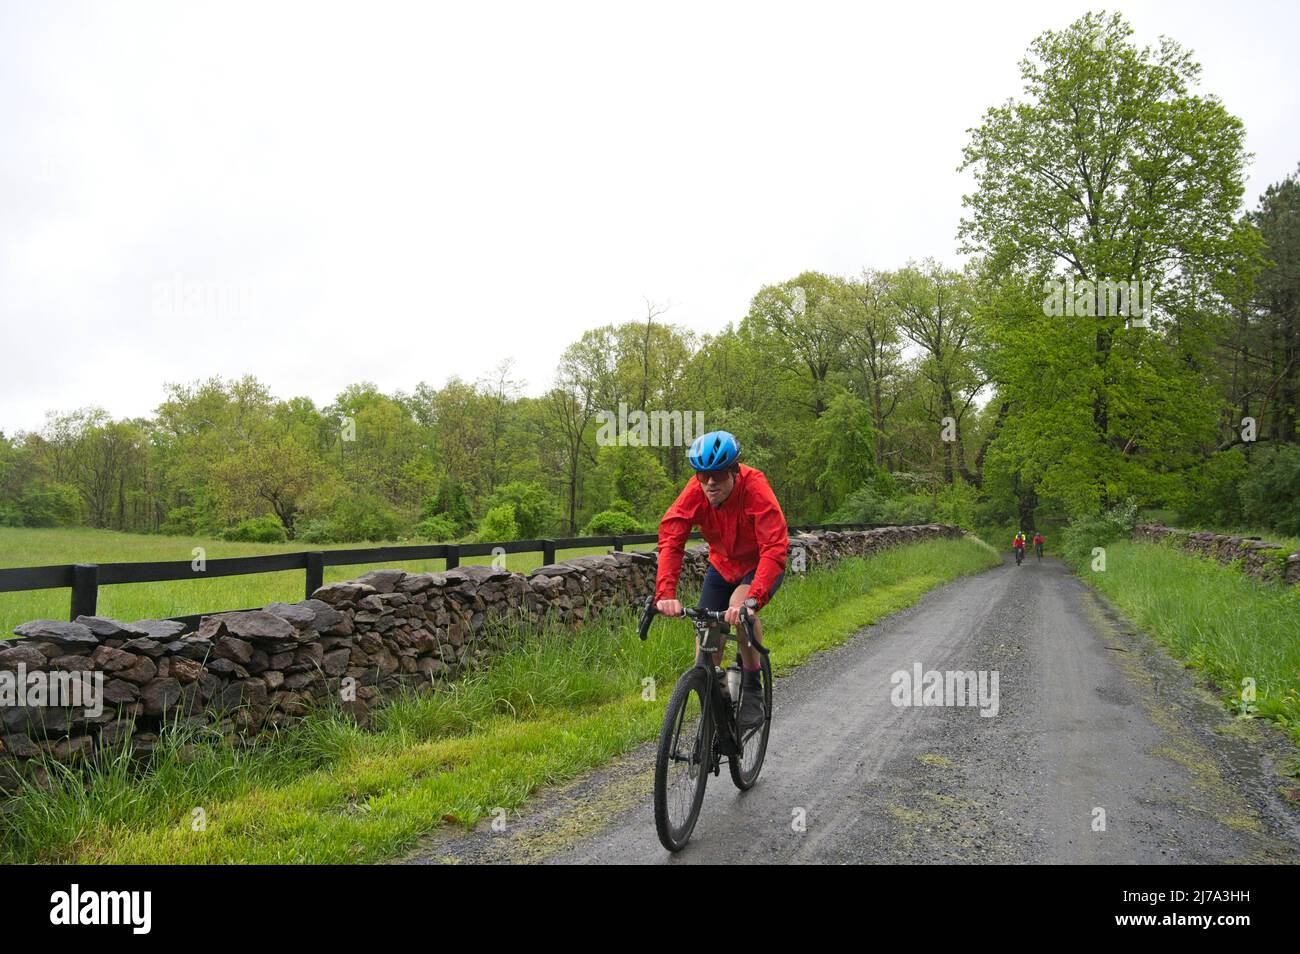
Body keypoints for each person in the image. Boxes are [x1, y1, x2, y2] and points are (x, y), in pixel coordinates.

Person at [654, 430, 789, 732]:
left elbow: (773, 547)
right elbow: (672, 537)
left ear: (734, 471)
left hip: (759, 565)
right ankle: (715, 706)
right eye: (703, 476)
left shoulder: (755, 487)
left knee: (738, 609)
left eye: (717, 474)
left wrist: (753, 599)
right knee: (706, 639)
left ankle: (752, 687)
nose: (710, 483)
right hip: (722, 565)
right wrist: (665, 593)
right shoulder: (696, 491)